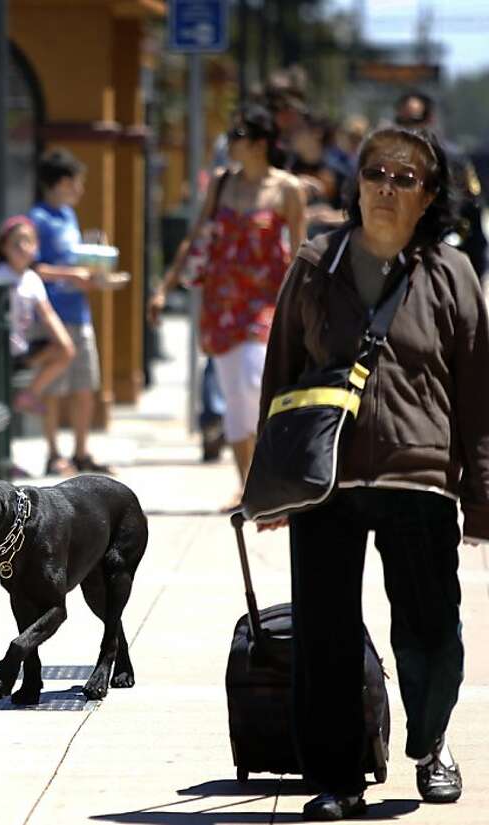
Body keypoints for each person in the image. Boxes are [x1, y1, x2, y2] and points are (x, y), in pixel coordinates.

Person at [259, 125, 488, 820]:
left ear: (429, 197)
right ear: (355, 184)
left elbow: (478, 395)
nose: (387, 187)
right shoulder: (315, 262)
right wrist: (267, 483)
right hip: (325, 477)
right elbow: (283, 371)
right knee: (324, 630)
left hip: (416, 476)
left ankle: (431, 739)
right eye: (376, 173)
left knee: (430, 626)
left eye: (406, 177)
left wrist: (480, 496)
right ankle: (336, 775)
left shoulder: (452, 274)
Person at [148, 103, 306, 509]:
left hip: (265, 301)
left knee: (256, 381)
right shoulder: (221, 184)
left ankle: (271, 474)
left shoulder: (287, 189)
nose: (229, 144)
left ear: (258, 143)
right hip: (221, 301)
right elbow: (195, 237)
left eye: (237, 137)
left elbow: (301, 251)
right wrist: (164, 288)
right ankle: (247, 484)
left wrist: (307, 303)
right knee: (234, 393)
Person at [28, 148, 119, 476]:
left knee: (84, 385)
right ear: (63, 182)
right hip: (51, 316)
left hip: (79, 313)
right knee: (54, 391)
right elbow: (34, 267)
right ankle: (53, 453)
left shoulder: (69, 215)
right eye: (77, 183)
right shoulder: (37, 218)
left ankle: (81, 452)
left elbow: (70, 258)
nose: (80, 190)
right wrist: (73, 276)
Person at [394, 90, 487, 282]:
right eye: (402, 122)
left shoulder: (454, 159)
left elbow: (471, 211)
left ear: (429, 120)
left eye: (414, 121)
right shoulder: (386, 161)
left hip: (445, 258)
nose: (408, 129)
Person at [0, 215, 74, 416]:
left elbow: (48, 314)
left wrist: (64, 343)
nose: (23, 247)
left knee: (63, 352)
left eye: (28, 241)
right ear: (4, 247)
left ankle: (29, 394)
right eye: (16, 242)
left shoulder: (32, 278)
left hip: (20, 350)